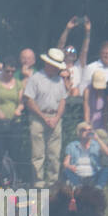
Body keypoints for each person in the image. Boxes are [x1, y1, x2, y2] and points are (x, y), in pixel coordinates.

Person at [24, 48, 69, 186]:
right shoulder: (35, 78)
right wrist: (43, 117)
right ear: (48, 64)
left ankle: (52, 181)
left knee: (54, 153)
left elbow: (62, 100)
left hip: (55, 117)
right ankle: (38, 182)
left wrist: (56, 117)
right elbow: (29, 100)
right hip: (38, 117)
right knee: (38, 153)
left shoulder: (60, 81)